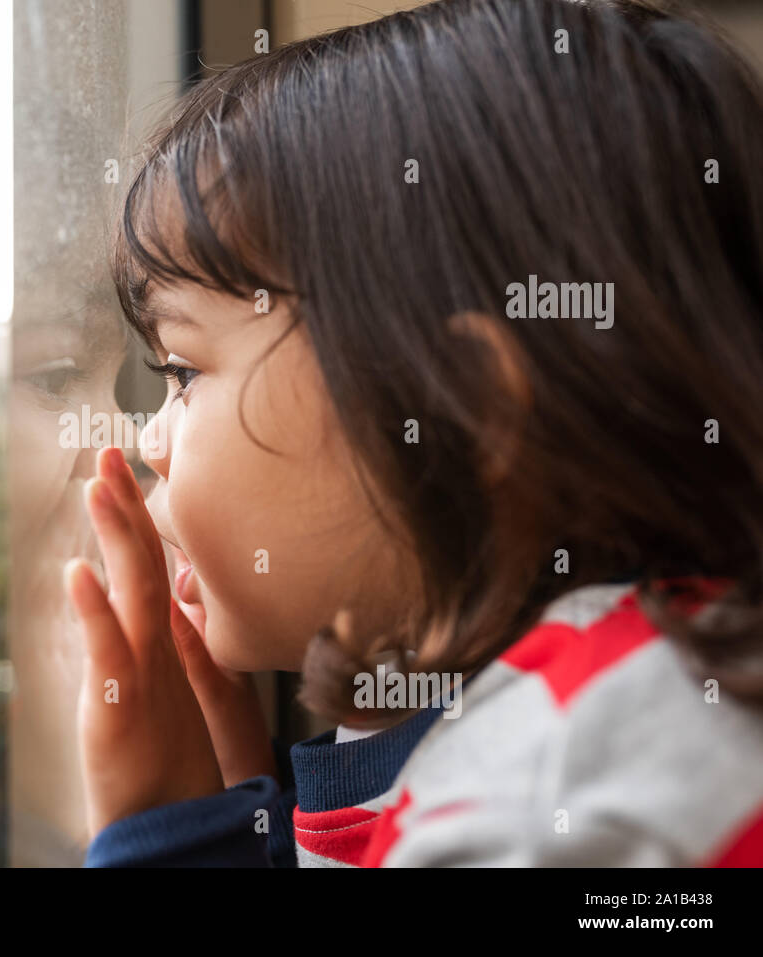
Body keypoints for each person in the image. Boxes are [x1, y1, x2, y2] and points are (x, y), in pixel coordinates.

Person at [63, 0, 763, 866]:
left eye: (183, 373)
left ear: (453, 411)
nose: (150, 439)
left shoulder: (564, 781)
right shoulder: (554, 712)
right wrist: (242, 817)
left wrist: (167, 842)